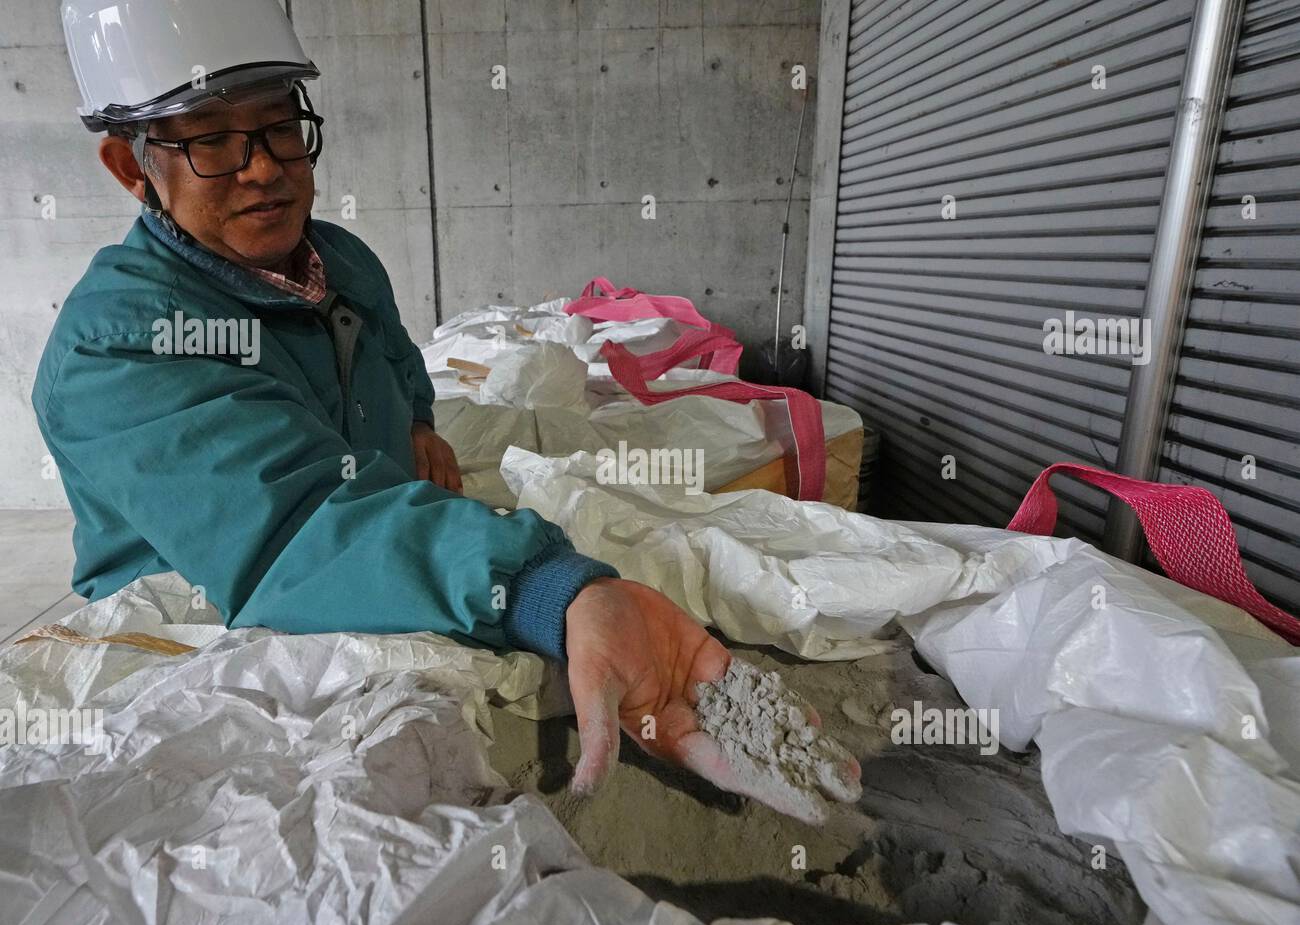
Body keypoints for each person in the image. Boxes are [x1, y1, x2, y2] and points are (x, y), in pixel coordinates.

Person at [38, 0, 838, 806]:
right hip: (209, 624)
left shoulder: (337, 258)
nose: (264, 167)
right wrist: (545, 588)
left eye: (279, 125)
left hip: (379, 546)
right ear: (131, 167)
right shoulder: (123, 345)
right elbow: (294, 528)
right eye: (211, 140)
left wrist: (418, 421)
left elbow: (396, 356)